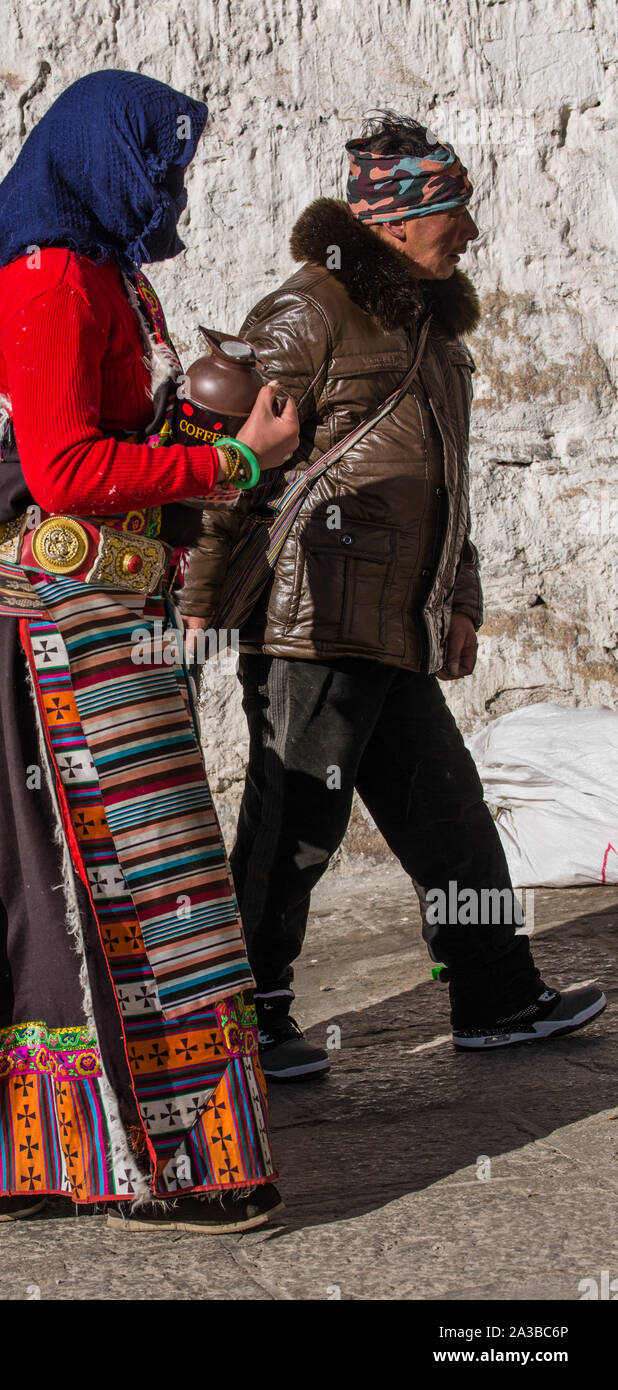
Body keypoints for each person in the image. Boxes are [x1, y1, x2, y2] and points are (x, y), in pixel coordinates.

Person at [0, 70, 299, 1228]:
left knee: (114, 888)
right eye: (157, 158)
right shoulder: (51, 277)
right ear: (103, 157)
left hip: (99, 617)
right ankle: (162, 1158)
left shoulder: (101, 270)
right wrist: (231, 465)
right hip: (52, 637)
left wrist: (187, 434)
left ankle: (59, 1155)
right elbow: (64, 472)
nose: (170, 183)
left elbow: (96, 440)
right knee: (137, 891)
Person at [179, 112, 606, 1080]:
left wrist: (459, 597)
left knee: (445, 812)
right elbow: (233, 467)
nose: (470, 232)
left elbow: (447, 481)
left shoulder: (426, 324)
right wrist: (205, 596)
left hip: (395, 621)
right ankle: (247, 1016)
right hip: (313, 617)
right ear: (399, 219)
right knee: (293, 824)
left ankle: (494, 994)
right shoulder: (307, 312)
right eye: (453, 211)